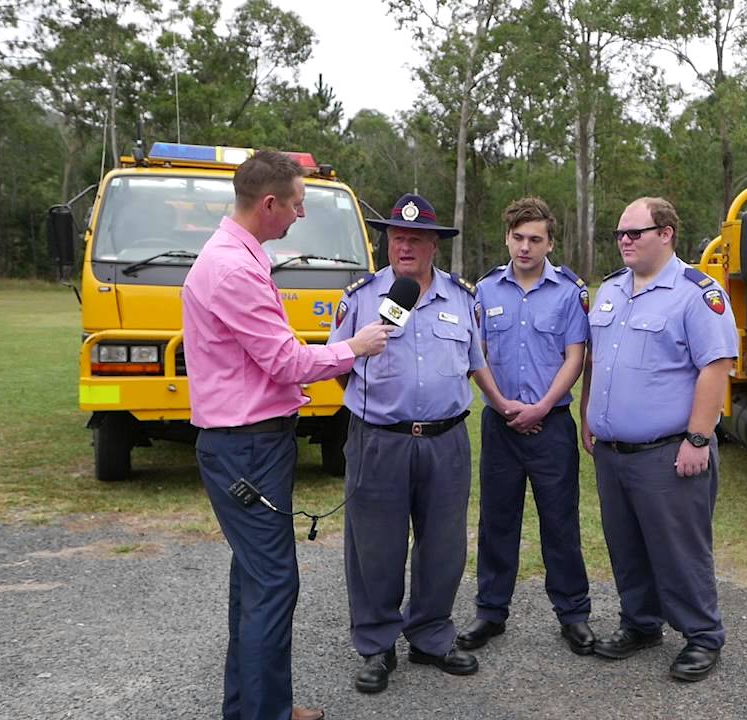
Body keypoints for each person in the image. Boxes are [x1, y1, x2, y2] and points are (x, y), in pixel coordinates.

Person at [182, 150, 391, 720]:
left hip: (253, 443)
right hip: (246, 445)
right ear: (269, 203)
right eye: (297, 203)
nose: (300, 214)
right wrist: (355, 347)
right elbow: (283, 359)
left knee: (253, 582)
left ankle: (256, 705)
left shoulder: (238, 257)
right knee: (273, 584)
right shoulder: (231, 267)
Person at [328, 193, 489, 694]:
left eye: (416, 239)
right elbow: (340, 370)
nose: (405, 246)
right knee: (375, 547)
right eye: (398, 237)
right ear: (388, 242)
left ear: (433, 246)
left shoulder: (462, 299)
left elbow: (474, 362)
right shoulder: (359, 299)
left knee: (443, 545)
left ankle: (431, 635)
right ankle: (377, 645)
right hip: (379, 440)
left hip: (446, 441)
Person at [580, 197, 737, 682]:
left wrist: (697, 437)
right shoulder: (609, 291)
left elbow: (716, 367)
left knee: (679, 548)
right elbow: (595, 360)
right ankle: (641, 623)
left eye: (635, 232)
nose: (625, 240)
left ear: (666, 233)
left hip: (668, 450)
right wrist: (588, 415)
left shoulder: (697, 292)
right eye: (620, 233)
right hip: (613, 452)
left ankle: (702, 635)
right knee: (626, 545)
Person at [455, 197, 595, 656]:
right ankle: (490, 612)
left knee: (560, 523)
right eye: (518, 238)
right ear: (507, 239)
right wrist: (502, 404)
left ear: (550, 242)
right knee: (497, 521)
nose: (526, 247)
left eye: (536, 239)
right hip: (500, 424)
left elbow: (576, 357)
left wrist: (542, 407)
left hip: (551, 426)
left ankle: (573, 615)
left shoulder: (569, 291)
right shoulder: (486, 291)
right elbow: (477, 356)